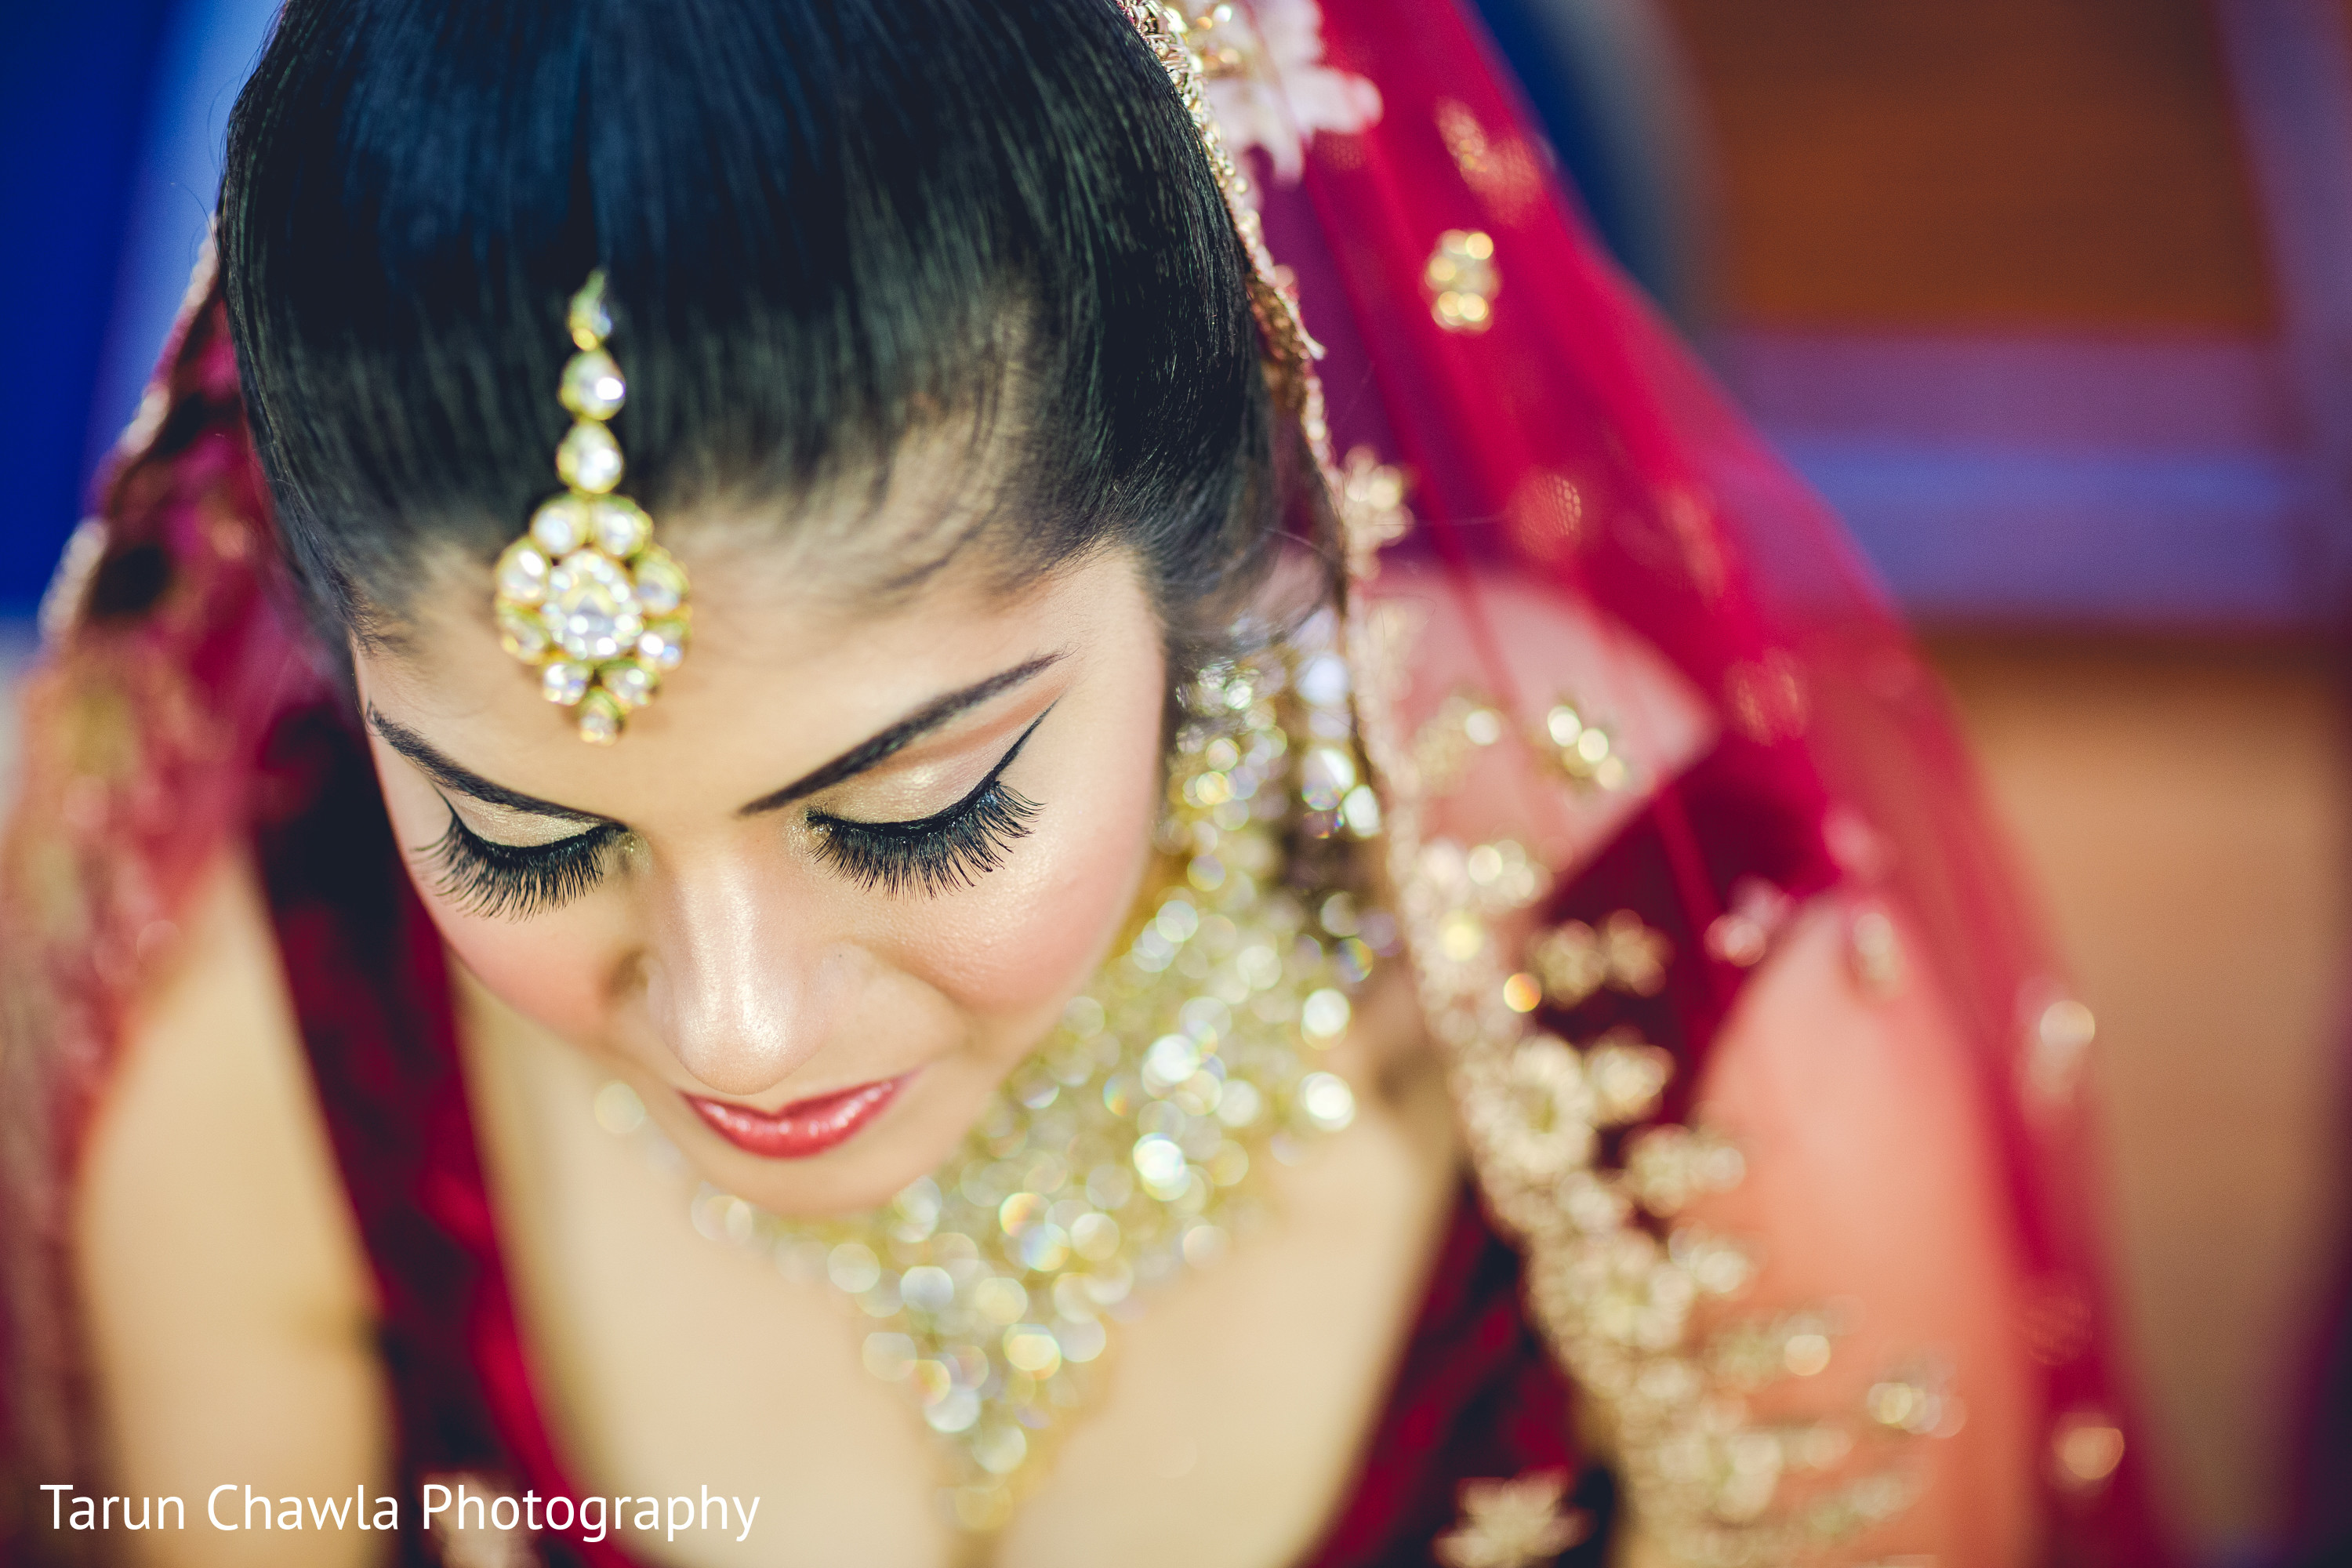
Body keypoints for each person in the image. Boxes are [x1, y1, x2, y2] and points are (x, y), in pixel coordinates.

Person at [0, 1, 2174, 1564]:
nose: (738, 1026)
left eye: (916, 810)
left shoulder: (1675, 1007)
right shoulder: (274, 1029)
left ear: (1215, 532)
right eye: (524, 835)